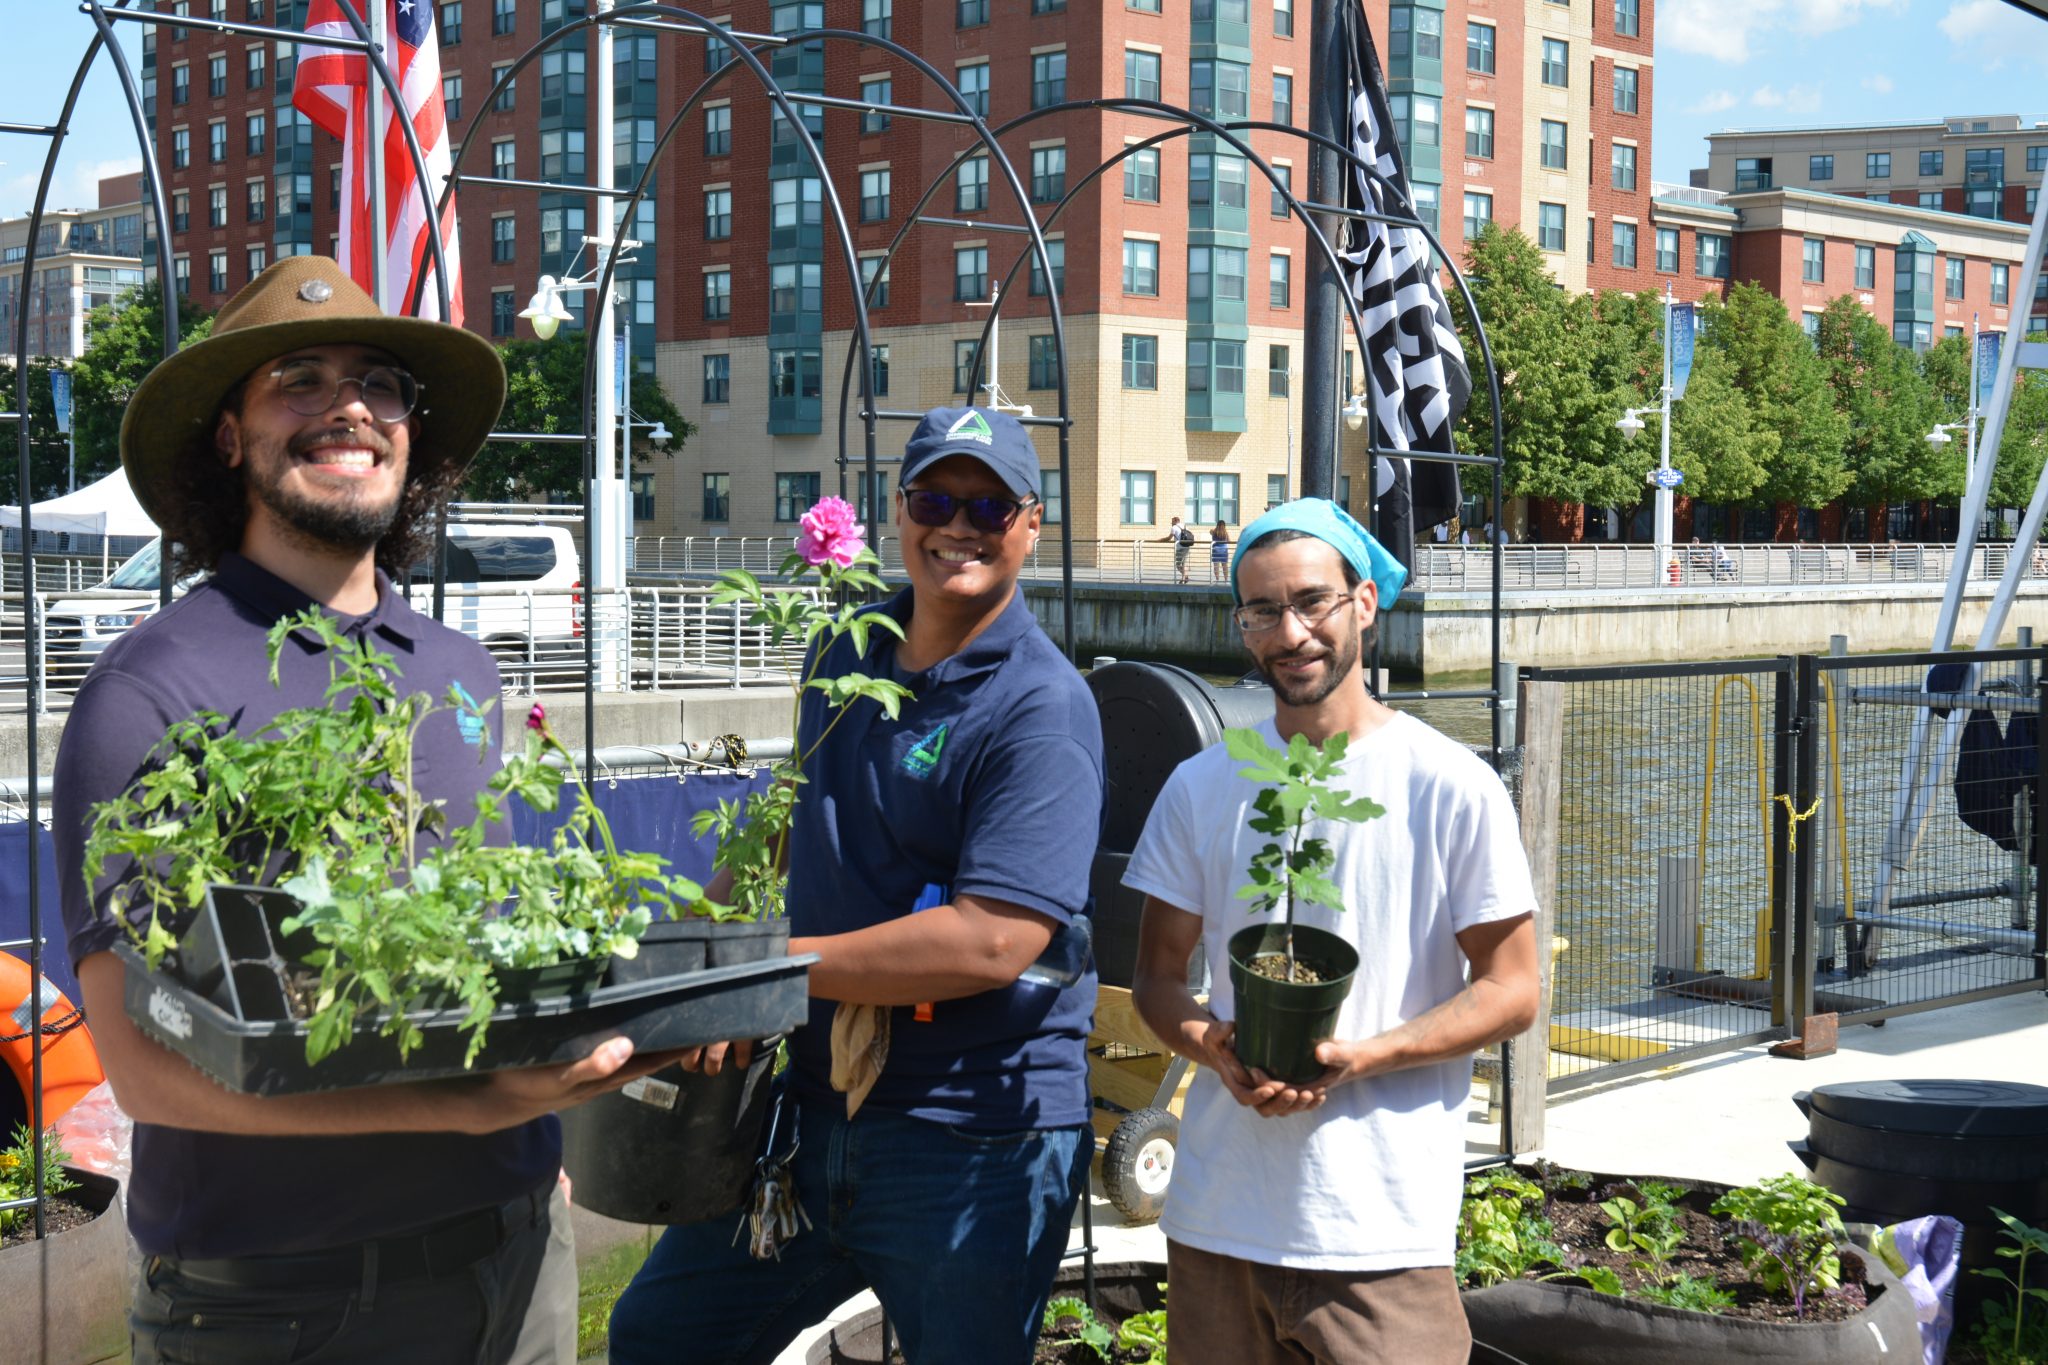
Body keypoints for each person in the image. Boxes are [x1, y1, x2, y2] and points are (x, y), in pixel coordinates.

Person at [51, 257, 686, 1364]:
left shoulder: (458, 670)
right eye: (298, 379)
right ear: (228, 436)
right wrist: (469, 1111)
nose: (349, 407)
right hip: (277, 1302)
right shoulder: (151, 690)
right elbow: (142, 1063)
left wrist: (560, 1088)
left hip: (517, 1253)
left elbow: (473, 964)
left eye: (380, 383)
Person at [609, 406, 1104, 1365]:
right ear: (896, 509)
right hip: (813, 1104)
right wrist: (702, 947)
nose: (958, 523)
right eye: (935, 497)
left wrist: (759, 972)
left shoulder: (1043, 707)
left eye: (988, 504)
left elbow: (992, 940)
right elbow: (789, 814)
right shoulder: (844, 645)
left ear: (1031, 525)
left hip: (972, 1133)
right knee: (662, 1335)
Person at [1122, 499, 1540, 1365]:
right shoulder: (1203, 786)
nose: (1291, 631)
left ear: (1364, 602)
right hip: (1219, 1220)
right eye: (1263, 610)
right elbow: (1159, 978)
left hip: (1380, 1230)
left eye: (1312, 600)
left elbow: (1514, 987)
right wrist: (1217, 1048)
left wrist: (1369, 1055)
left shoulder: (1450, 785)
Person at [1163, 514, 1197, 584]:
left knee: (1178, 564)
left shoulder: (1174, 527)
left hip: (1179, 547)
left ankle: (1184, 578)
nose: (1171, 524)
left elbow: (1169, 538)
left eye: (1172, 522)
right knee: (1184, 563)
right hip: (1187, 546)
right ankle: (1185, 577)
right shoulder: (1185, 526)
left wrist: (1161, 540)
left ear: (1174, 522)